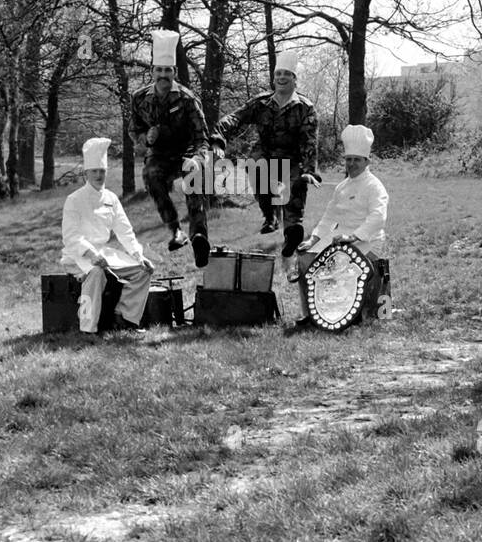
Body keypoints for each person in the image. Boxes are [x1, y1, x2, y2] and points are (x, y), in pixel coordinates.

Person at [214, 48, 322, 257]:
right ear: (274, 79)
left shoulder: (305, 108)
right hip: (265, 155)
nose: (282, 78)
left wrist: (309, 170)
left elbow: (309, 141)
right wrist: (218, 137)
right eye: (278, 74)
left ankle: (292, 233)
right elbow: (235, 118)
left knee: (294, 189)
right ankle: (270, 217)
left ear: (294, 79)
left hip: (292, 158)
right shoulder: (261, 102)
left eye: (287, 74)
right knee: (255, 167)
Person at [130, 29, 213, 267]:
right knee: (150, 174)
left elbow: (202, 137)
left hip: (186, 153)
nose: (163, 75)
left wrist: (197, 158)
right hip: (159, 156)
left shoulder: (187, 99)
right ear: (152, 72)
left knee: (194, 178)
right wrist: (146, 138)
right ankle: (176, 231)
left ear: (174, 72)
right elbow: (133, 131)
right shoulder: (139, 98)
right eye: (159, 70)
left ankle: (199, 237)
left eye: (168, 71)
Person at [295, 124, 388, 325]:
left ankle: (342, 312)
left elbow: (378, 218)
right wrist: (313, 240)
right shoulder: (342, 187)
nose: (352, 164)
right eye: (348, 160)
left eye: (356, 160)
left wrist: (353, 237)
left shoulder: (374, 186)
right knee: (305, 258)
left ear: (366, 161)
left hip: (367, 242)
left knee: (340, 264)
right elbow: (329, 217)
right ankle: (311, 314)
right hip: (340, 239)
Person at [61, 137, 154, 335]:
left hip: (104, 253)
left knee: (143, 271)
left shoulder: (111, 199)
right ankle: (88, 328)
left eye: (101, 171)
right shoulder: (74, 199)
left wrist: (139, 255)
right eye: (94, 171)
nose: (98, 175)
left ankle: (125, 318)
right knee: (95, 273)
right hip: (78, 256)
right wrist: (92, 254)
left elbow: (125, 230)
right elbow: (71, 236)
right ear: (86, 173)